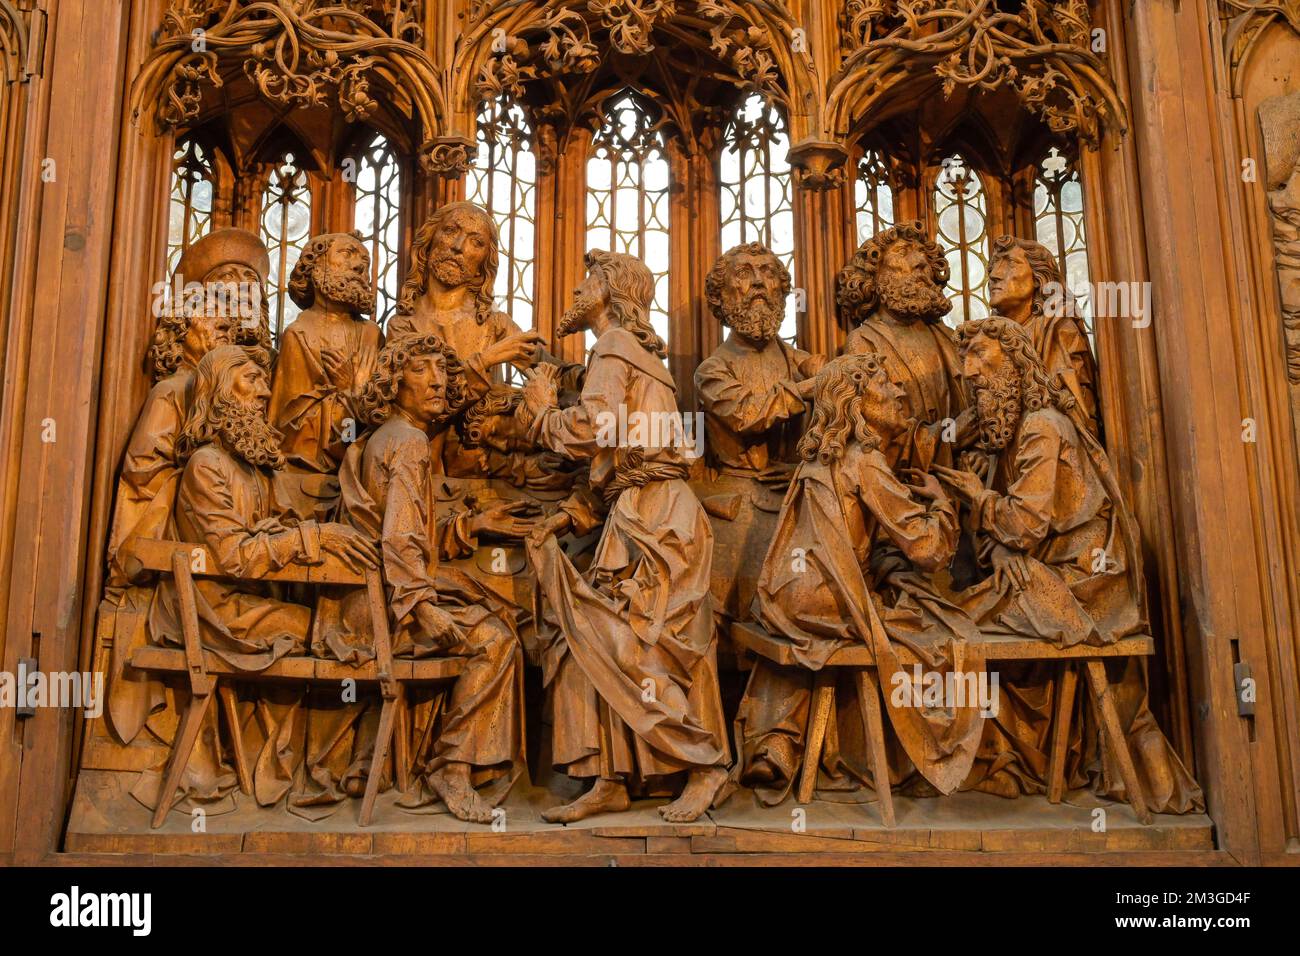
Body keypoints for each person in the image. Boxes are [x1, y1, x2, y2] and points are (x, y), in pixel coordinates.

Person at [519, 250, 731, 823]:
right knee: (595, 643)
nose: (575, 290)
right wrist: (569, 516)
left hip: (656, 521)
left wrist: (540, 413)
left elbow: (595, 428)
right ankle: (609, 775)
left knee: (646, 650)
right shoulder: (632, 355)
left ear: (610, 291)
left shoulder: (612, 347)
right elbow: (621, 457)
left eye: (586, 280)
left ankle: (705, 765)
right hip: (642, 513)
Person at [987, 235, 1100, 435]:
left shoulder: (1060, 328)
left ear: (1039, 278)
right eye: (994, 266)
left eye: (1010, 264)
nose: (994, 274)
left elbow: (1079, 412)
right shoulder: (987, 339)